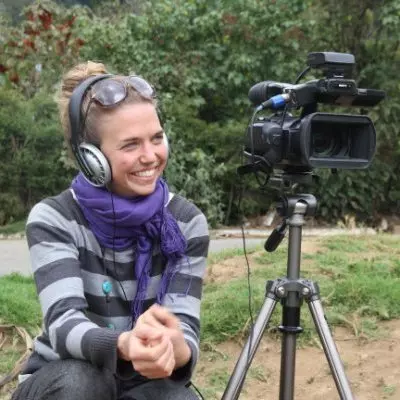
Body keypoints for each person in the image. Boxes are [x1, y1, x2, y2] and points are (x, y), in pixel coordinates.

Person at [11, 61, 209, 400]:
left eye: (157, 138)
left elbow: (185, 327)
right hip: (61, 378)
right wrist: (124, 344)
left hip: (142, 384)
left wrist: (176, 348)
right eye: (130, 145)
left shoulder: (187, 222)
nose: (150, 156)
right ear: (91, 158)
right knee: (83, 384)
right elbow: (63, 324)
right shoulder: (54, 217)